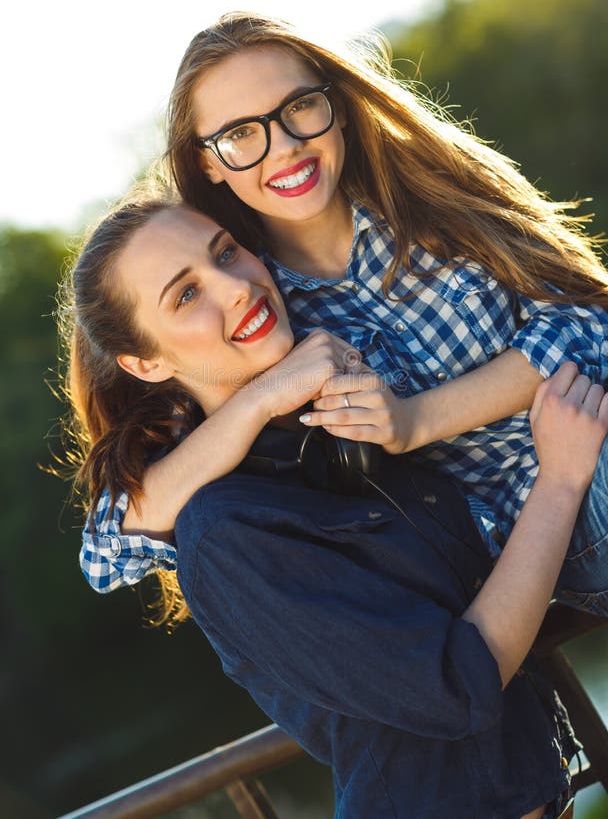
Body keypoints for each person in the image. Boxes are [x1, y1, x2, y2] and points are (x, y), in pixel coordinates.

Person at [63, 196, 608, 818]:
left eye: (226, 253)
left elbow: (580, 319)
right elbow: (458, 686)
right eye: (185, 295)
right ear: (144, 362)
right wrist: (561, 482)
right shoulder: (224, 531)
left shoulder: (333, 422)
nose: (236, 288)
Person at [84, 11, 608, 607]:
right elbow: (109, 550)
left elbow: (588, 318)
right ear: (207, 161)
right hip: (555, 527)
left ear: (334, 101)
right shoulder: (257, 324)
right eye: (241, 134)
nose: (283, 148)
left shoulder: (426, 190)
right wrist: (262, 396)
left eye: (298, 107)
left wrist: (415, 420)